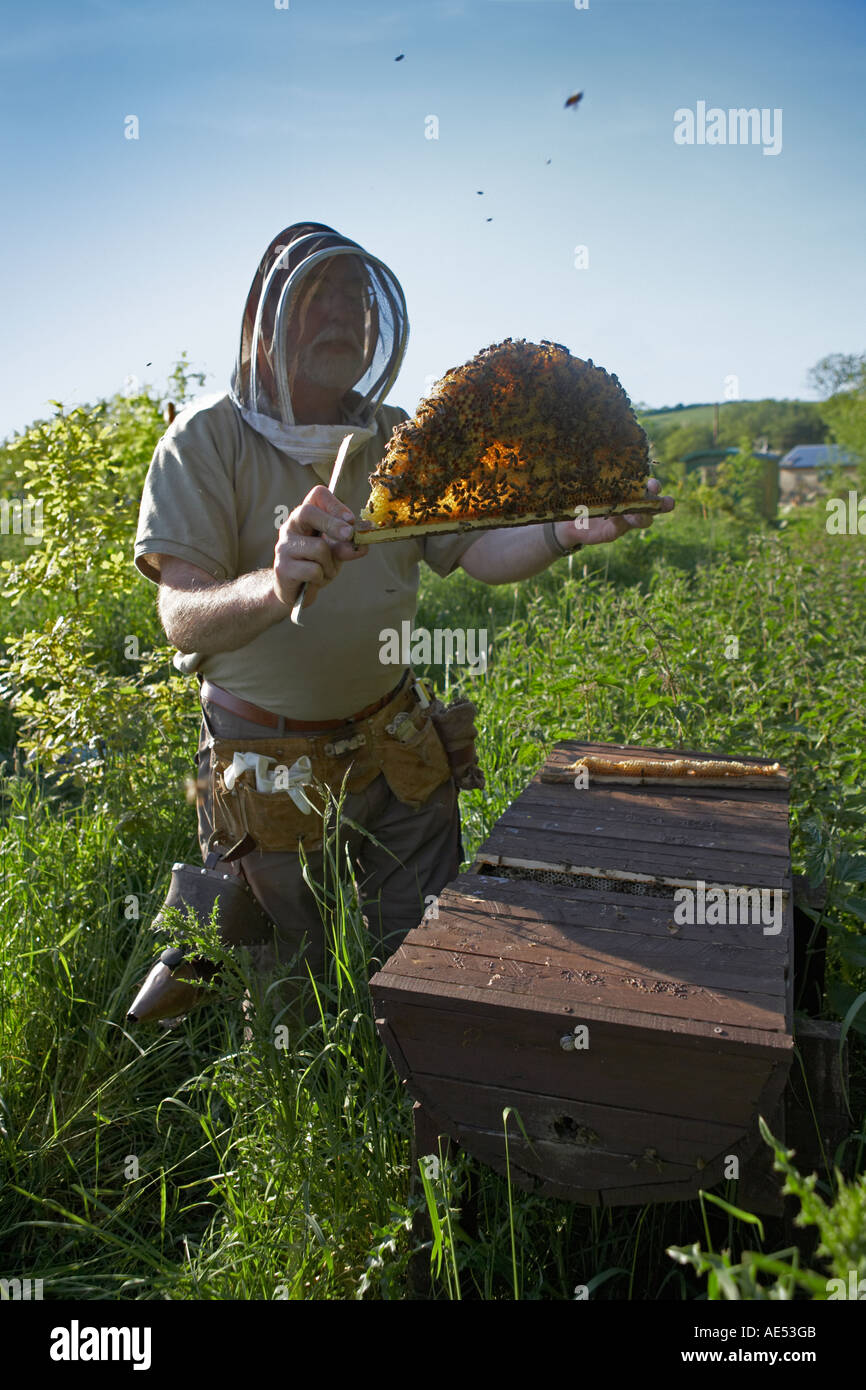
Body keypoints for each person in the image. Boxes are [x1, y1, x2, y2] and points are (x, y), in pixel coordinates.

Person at [133, 221, 673, 1014]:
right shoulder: (204, 441)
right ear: (267, 318)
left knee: (424, 961)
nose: (342, 316)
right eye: (319, 298)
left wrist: (564, 531)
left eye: (356, 299)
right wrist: (275, 581)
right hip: (268, 769)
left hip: (398, 747)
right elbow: (180, 615)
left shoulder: (397, 438)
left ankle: (427, 1102)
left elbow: (478, 552)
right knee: (292, 988)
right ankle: (316, 1122)